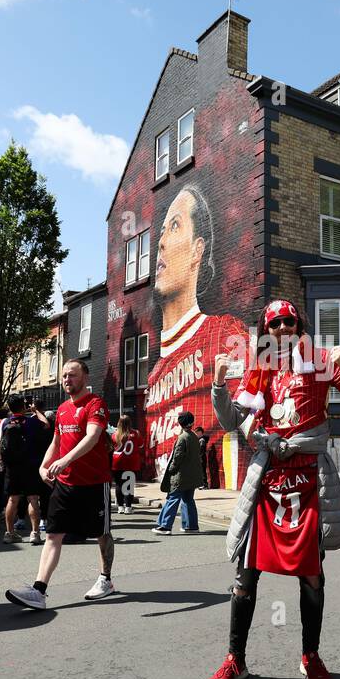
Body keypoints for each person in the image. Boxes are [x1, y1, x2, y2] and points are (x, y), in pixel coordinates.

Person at [204, 299, 340, 679]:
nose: (281, 328)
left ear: (300, 325)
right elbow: (230, 421)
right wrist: (217, 384)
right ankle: (236, 661)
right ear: (266, 330)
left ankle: (310, 656)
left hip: (309, 478)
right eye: (274, 323)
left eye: (288, 321)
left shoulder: (318, 360)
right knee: (245, 576)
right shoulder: (259, 367)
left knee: (312, 574)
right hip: (268, 478)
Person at [145, 184, 251, 485]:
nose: (161, 242)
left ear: (197, 249)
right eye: (162, 230)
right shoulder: (154, 376)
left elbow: (255, 423)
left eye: (175, 226)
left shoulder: (224, 333)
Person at [5, 359, 116, 608]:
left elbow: (92, 436)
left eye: (72, 375)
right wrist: (44, 465)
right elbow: (56, 442)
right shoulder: (63, 408)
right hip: (65, 484)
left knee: (102, 533)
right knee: (53, 535)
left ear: (85, 377)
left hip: (94, 483)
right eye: (64, 375)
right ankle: (39, 591)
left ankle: (105, 579)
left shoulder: (95, 404)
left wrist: (65, 460)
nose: (67, 379)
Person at [0, 395, 50, 546]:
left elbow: (1, 443)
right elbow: (46, 424)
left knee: (12, 499)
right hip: (30, 465)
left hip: (13, 467)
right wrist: (35, 410)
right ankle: (35, 533)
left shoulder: (5, 422)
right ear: (23, 406)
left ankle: (9, 533)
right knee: (33, 498)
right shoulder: (32, 421)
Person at [154, 412, 203, 533]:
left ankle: (165, 526)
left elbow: (177, 458)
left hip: (180, 476)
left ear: (180, 423)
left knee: (172, 498)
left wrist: (170, 469)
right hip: (192, 475)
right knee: (188, 499)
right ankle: (191, 526)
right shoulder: (194, 437)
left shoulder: (182, 438)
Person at [111, 414, 143, 514]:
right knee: (129, 485)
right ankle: (128, 507)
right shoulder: (136, 433)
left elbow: (111, 447)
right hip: (131, 463)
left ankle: (120, 506)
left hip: (117, 463)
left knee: (119, 484)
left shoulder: (115, 434)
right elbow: (141, 445)